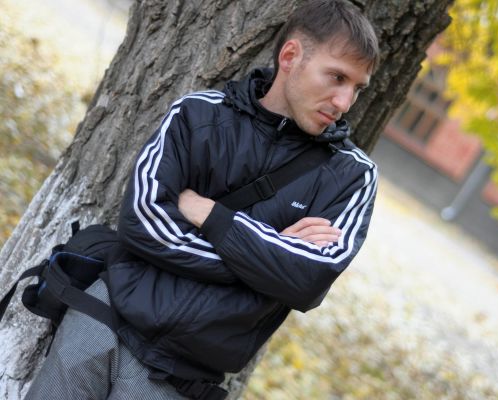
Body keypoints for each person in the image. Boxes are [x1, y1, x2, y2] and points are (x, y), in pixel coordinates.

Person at [25, 0, 379, 398]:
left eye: (357, 88)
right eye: (337, 77)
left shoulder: (352, 176)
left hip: (181, 374)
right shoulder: (197, 116)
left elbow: (307, 279)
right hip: (103, 316)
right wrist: (264, 264)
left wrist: (210, 214)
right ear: (290, 56)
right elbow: (142, 221)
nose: (344, 102)